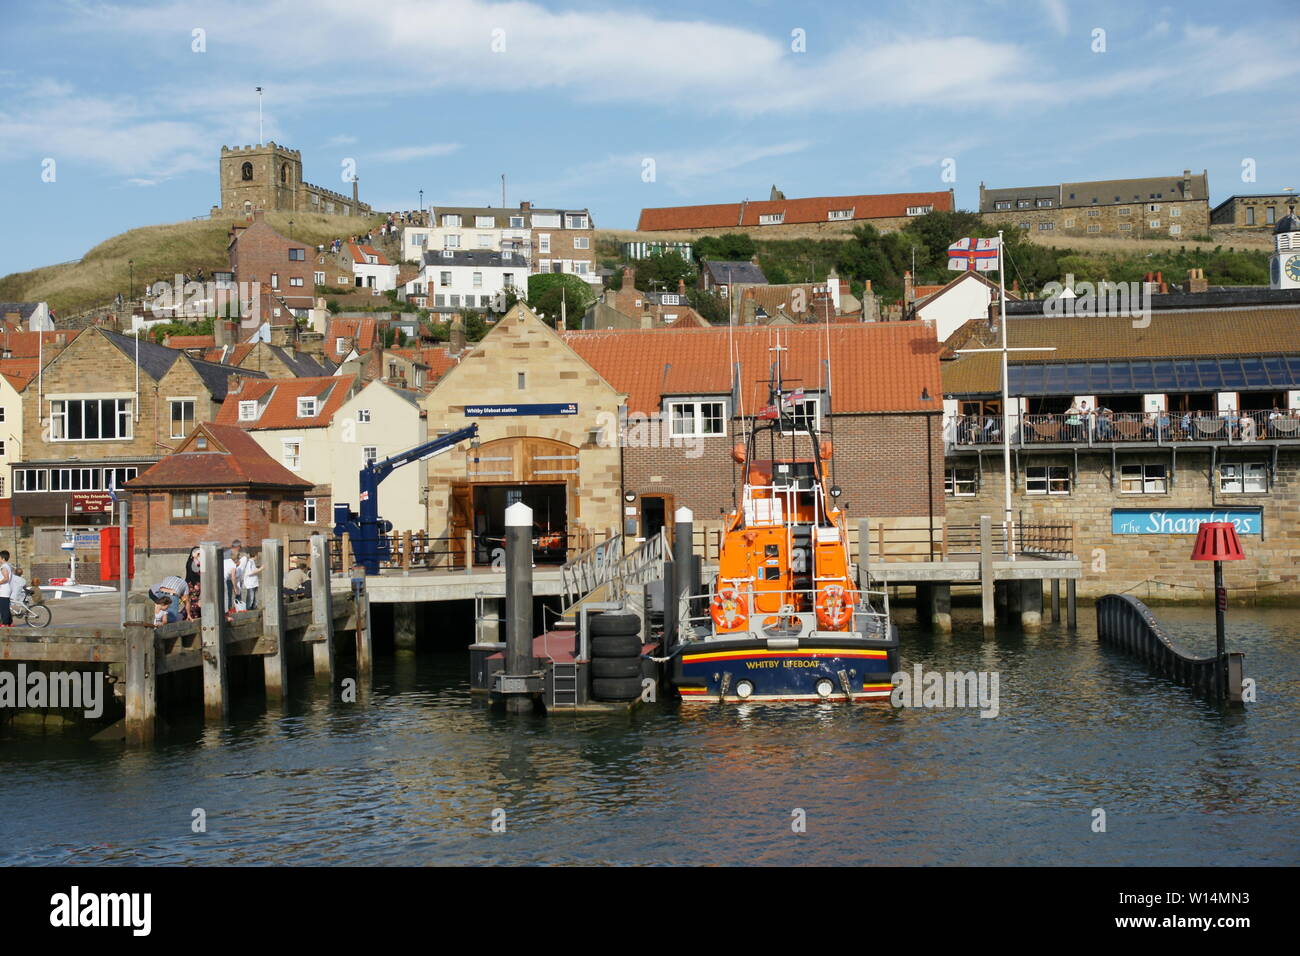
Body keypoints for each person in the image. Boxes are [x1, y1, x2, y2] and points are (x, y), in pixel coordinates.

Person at [224, 540, 245, 610]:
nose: (241, 548)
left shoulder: (227, 553)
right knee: (228, 595)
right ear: (238, 547)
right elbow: (231, 568)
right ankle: (228, 609)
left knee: (229, 594)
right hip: (228, 578)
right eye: (240, 547)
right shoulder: (229, 554)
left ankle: (231, 608)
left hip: (229, 577)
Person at [0, 549, 13, 627]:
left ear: (3, 558)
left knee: (4, 608)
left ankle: (5, 623)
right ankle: (9, 622)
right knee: (5, 607)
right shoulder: (8, 566)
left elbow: (6, 578)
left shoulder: (4, 567)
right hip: (5, 589)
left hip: (4, 590)